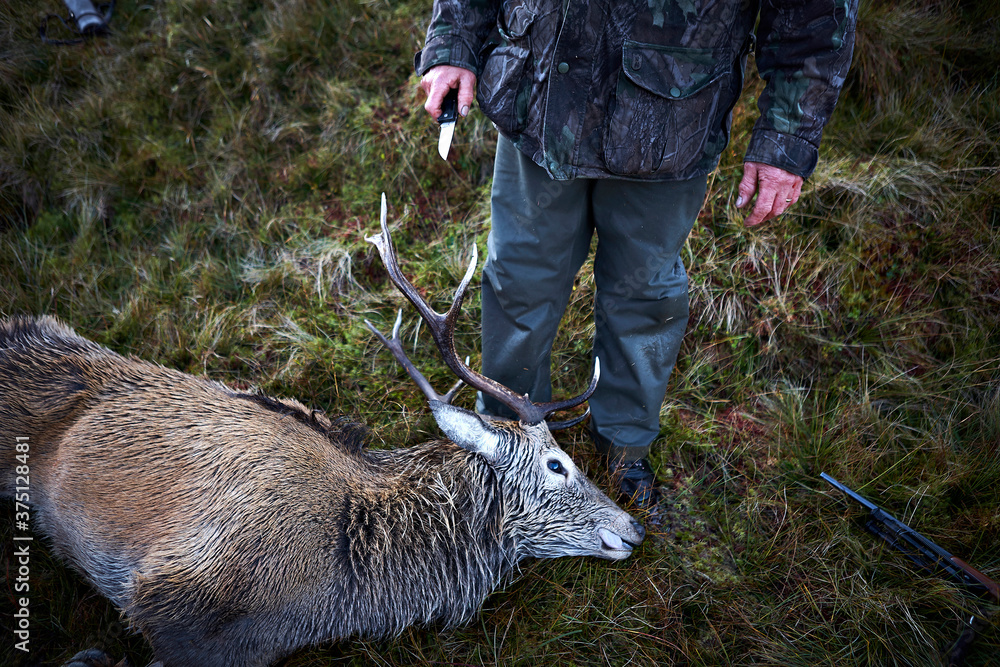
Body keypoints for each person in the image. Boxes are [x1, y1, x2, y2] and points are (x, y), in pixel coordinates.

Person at [415, 0, 858, 508]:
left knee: (644, 294)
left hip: (673, 121)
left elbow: (815, 16)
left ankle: (624, 444)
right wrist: (454, 41)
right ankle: (506, 439)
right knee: (519, 280)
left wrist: (786, 136)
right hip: (540, 98)